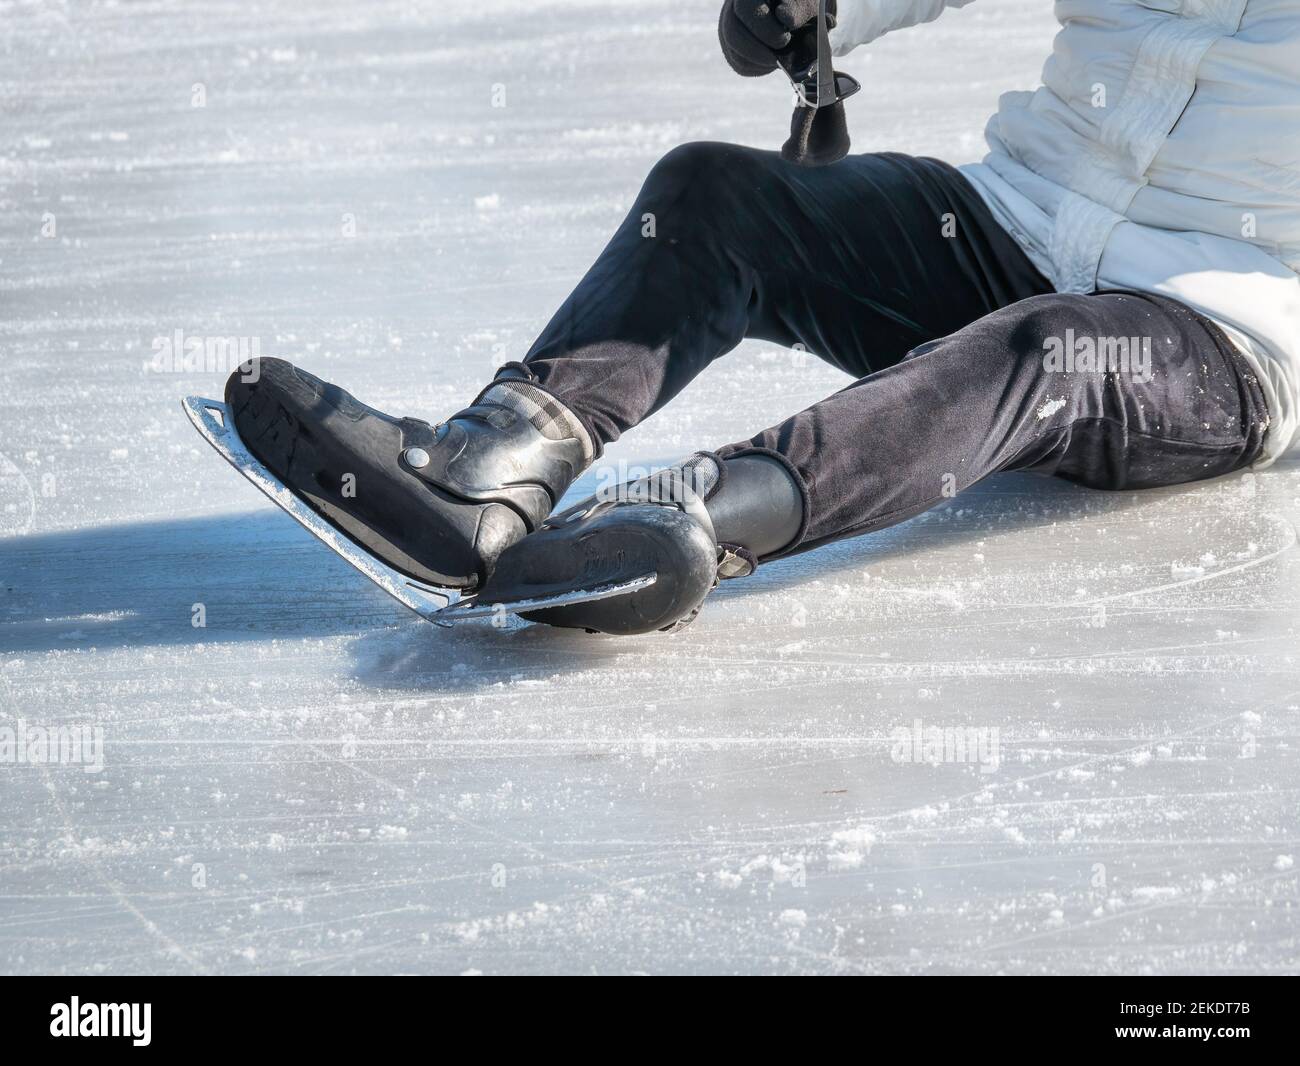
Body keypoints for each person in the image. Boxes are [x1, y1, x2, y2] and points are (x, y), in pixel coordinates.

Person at [225, 0, 1295, 635]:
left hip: (1219, 324)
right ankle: (492, 463)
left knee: (1046, 348)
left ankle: (685, 520)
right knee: (715, 195)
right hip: (1019, 218)